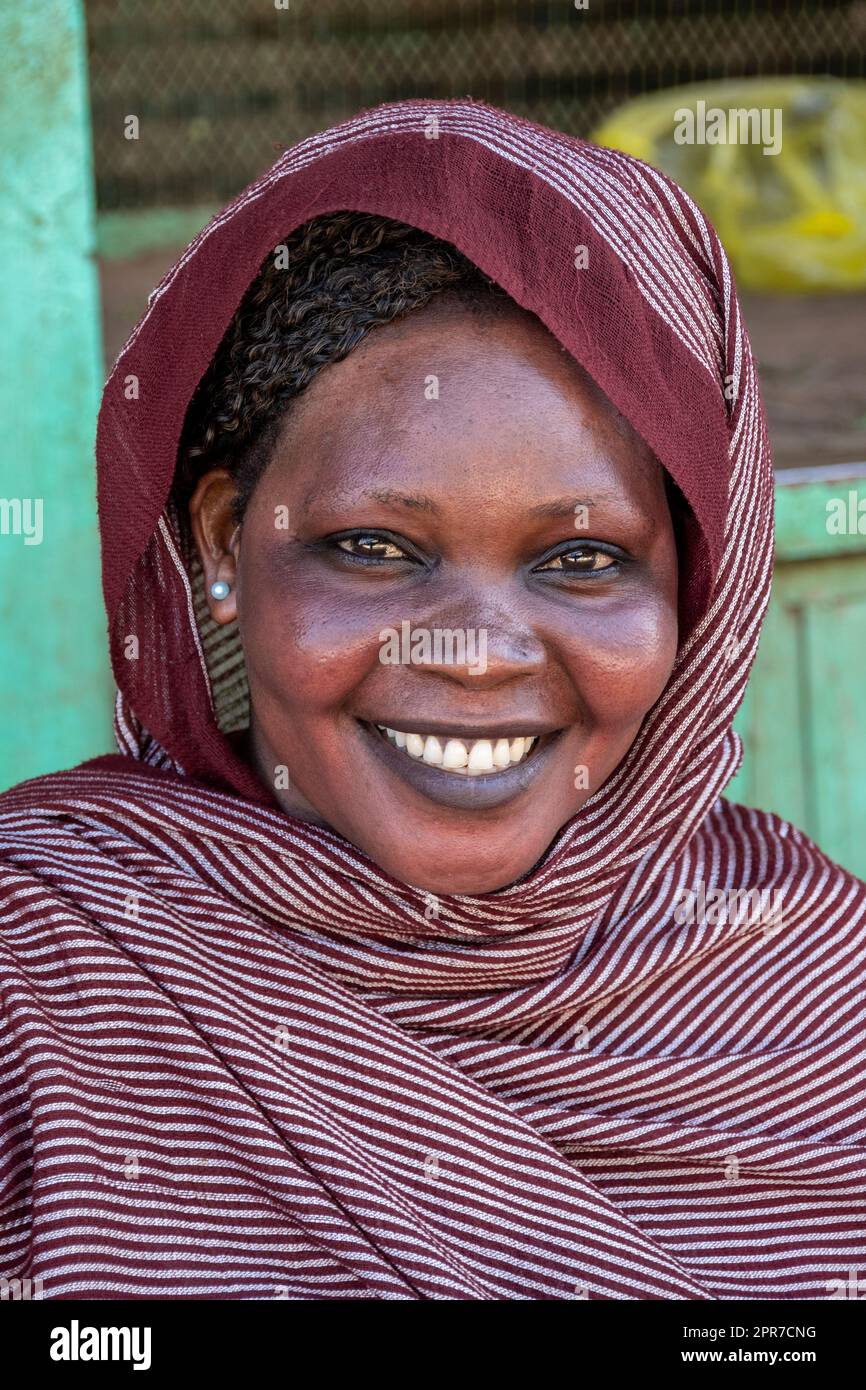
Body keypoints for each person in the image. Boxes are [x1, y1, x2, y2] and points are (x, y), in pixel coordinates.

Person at [1, 98, 864, 1301]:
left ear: (697, 584)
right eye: (370, 548)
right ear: (218, 543)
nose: (471, 652)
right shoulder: (46, 970)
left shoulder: (815, 984)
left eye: (580, 559)